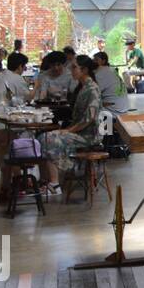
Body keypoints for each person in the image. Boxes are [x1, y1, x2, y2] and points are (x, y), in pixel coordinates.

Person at [37, 56, 101, 200]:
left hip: (88, 135)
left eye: (74, 67)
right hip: (79, 131)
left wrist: (68, 131)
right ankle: (48, 181)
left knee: (48, 138)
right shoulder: (82, 87)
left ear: (84, 70)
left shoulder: (92, 89)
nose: (71, 70)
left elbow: (89, 118)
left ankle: (54, 184)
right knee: (43, 136)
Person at [0, 52, 31, 123]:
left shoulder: (2, 74)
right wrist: (37, 85)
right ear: (20, 66)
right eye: (24, 66)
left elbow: (11, 97)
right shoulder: (17, 78)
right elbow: (29, 98)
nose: (25, 69)